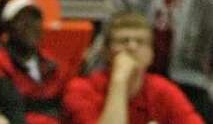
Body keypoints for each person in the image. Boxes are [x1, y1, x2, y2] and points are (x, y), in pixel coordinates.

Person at [62, 12, 203, 124]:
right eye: (123, 41)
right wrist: (119, 82)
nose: (132, 47)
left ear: (151, 54)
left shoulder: (163, 90)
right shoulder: (81, 90)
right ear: (106, 52)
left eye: (141, 42)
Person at [0, 0, 69, 124]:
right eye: (22, 20)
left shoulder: (52, 65)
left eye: (35, 19)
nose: (31, 25)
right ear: (7, 27)